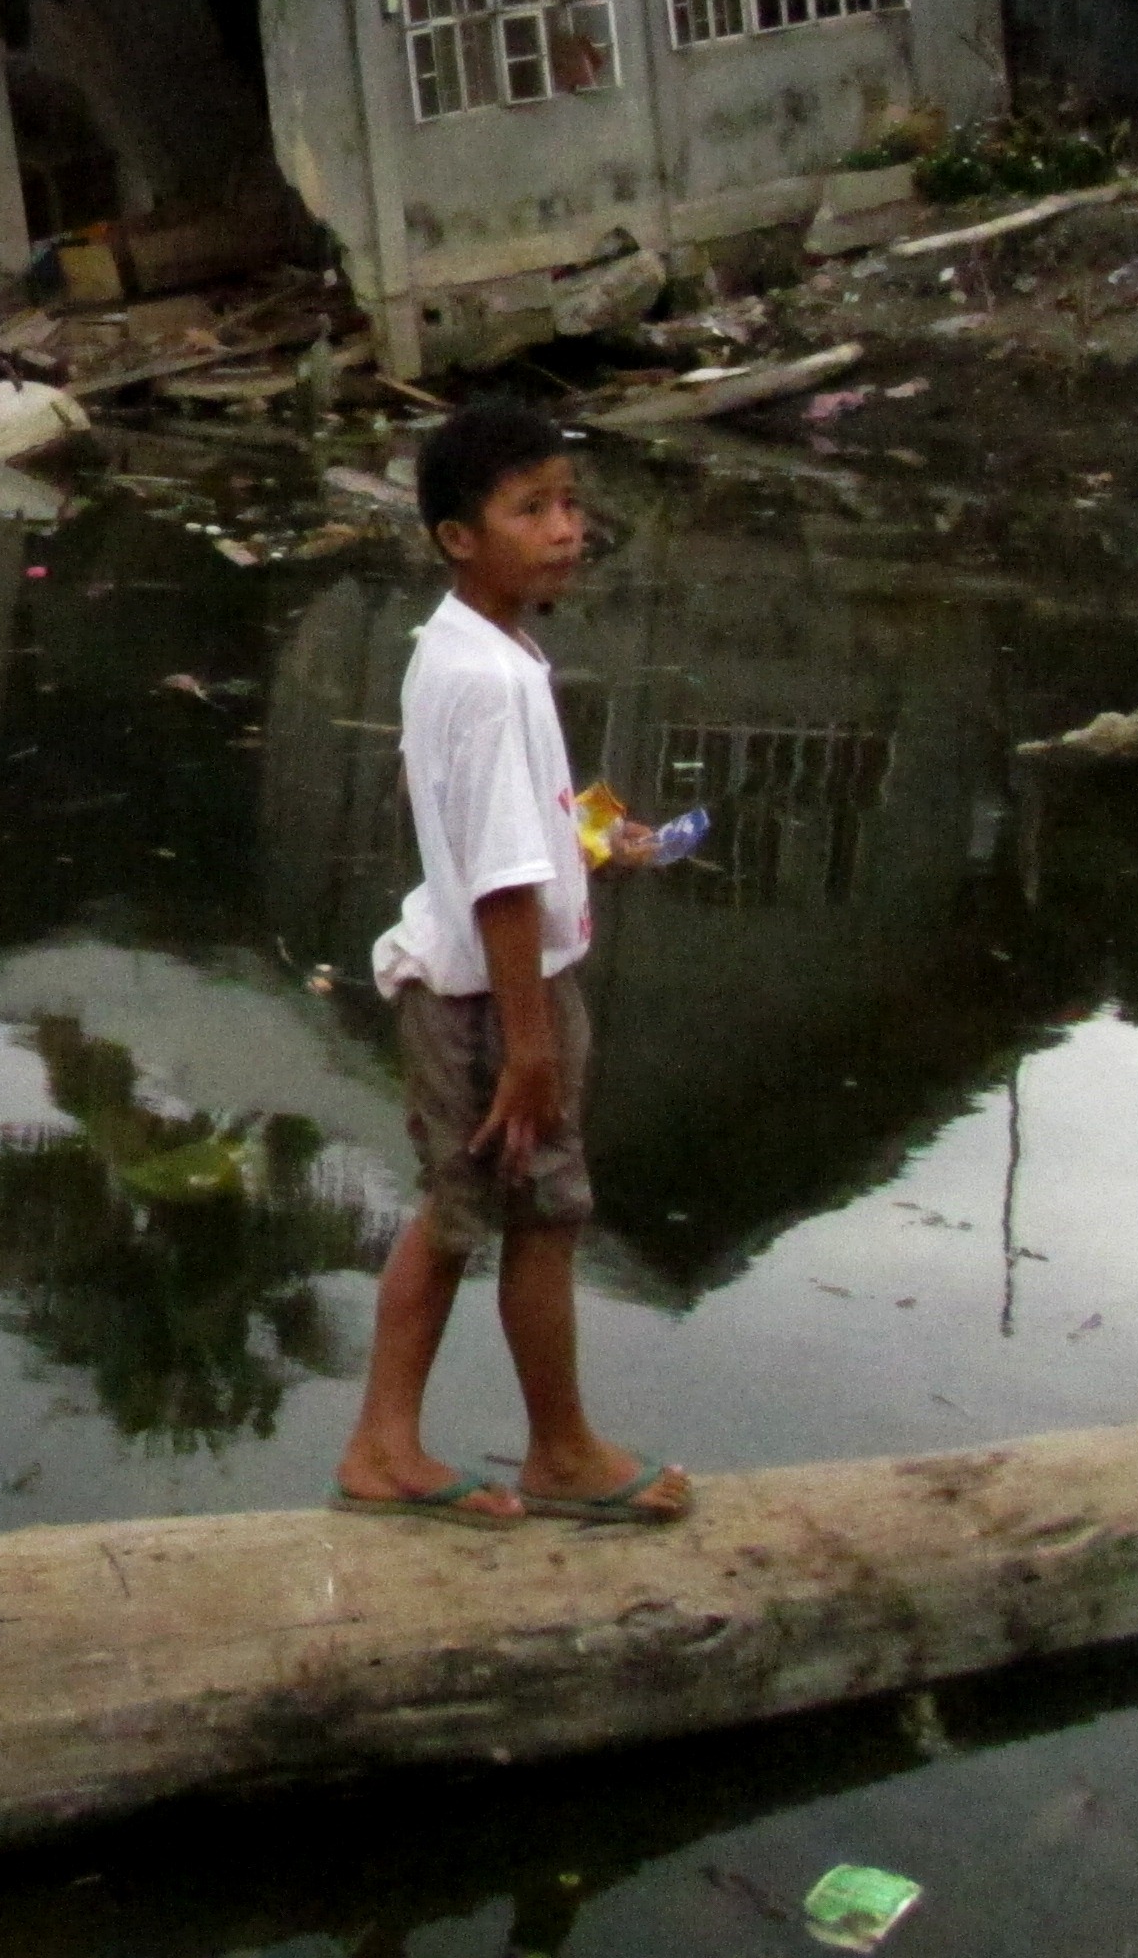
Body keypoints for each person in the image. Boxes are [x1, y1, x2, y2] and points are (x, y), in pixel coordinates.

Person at [331, 400, 691, 1528]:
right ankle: (482, 1449)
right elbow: (495, 880)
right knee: (496, 1214)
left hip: (493, 990)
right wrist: (529, 1051)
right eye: (529, 509)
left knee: (505, 1214)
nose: (565, 529)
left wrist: (600, 837)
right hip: (493, 1001)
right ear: (455, 537)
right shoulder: (489, 678)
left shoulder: (478, 648)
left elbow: (507, 815)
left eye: (570, 503)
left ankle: (481, 1446)